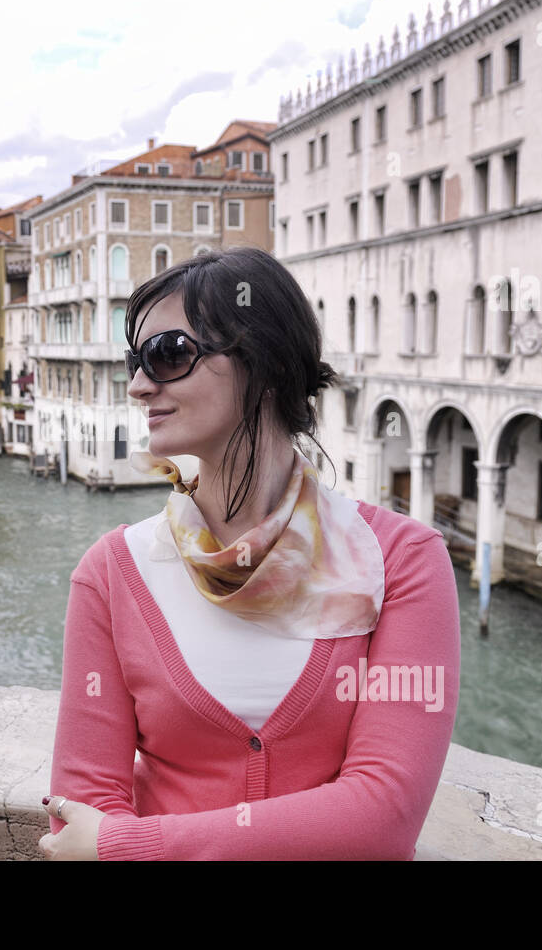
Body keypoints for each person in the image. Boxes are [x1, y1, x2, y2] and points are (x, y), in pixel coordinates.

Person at [39, 247, 460, 860]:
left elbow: (382, 816)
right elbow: (77, 815)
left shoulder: (404, 563)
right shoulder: (110, 575)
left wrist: (132, 848)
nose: (138, 385)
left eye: (169, 355)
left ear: (262, 364)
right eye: (137, 359)